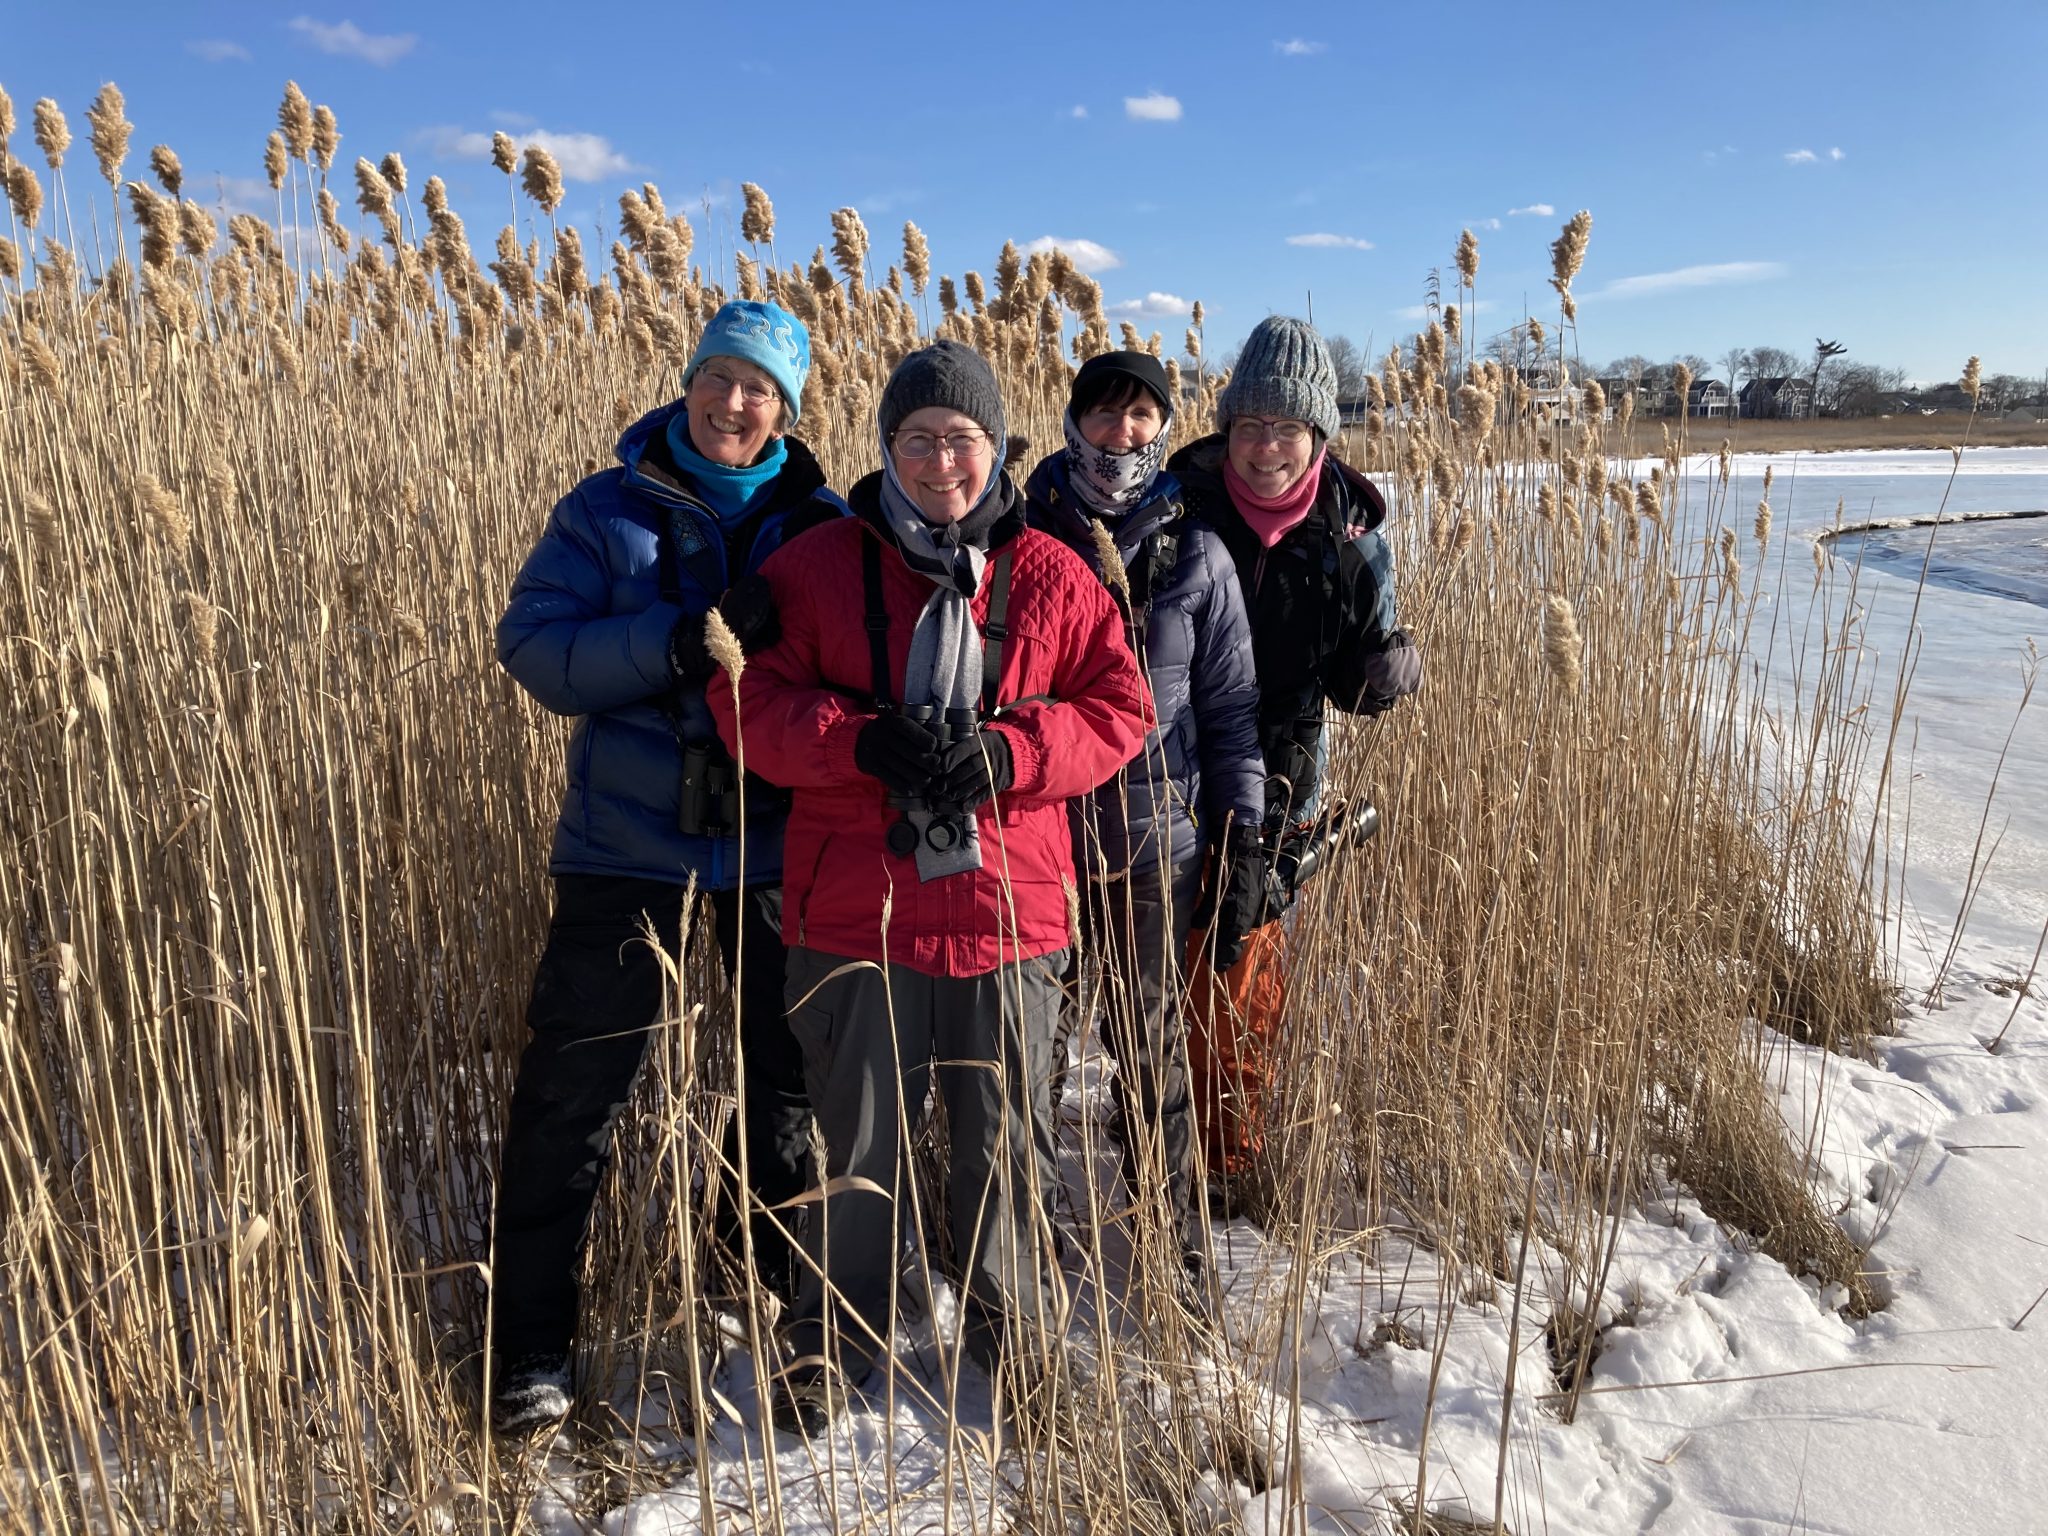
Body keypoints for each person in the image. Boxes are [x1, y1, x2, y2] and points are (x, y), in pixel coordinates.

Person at [709, 340, 1149, 1434]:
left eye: (961, 439)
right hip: (854, 915)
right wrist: (857, 743)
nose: (940, 461)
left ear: (996, 448)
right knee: (856, 1148)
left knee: (1003, 1143)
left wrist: (1014, 754)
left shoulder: (1053, 572)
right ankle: (832, 1341)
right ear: (886, 449)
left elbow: (1121, 708)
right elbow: (744, 705)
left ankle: (1019, 1340)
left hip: (1009, 917)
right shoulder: (813, 567)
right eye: (917, 439)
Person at [489, 299, 846, 1433]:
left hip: (776, 845)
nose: (735, 402)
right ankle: (530, 1348)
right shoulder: (607, 509)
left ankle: (777, 1298)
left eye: (760, 388)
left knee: (787, 1090)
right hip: (624, 851)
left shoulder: (823, 525)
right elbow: (535, 648)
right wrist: (675, 641)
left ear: (787, 406)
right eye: (719, 377)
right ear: (688, 381)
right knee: (571, 1098)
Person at [1020, 351, 1263, 1302]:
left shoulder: (1196, 553)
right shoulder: (1022, 529)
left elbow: (1231, 709)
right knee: (1027, 1044)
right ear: (1073, 421)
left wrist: (1239, 826)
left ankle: (1176, 1235)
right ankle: (1024, 1230)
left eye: (1142, 417)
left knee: (1150, 1039)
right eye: (1103, 415)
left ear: (1165, 427)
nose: (1121, 435)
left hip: (1154, 840)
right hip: (1035, 841)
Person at [1164, 316, 1421, 1193]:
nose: (1265, 448)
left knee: (1245, 967)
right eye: (1248, 427)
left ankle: (1224, 1164)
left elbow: (1358, 686)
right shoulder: (1177, 509)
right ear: (1224, 430)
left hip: (1280, 781)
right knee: (1155, 970)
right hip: (1170, 769)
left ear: (1317, 435)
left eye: (1285, 429)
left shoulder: (1355, 542)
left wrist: (1388, 673)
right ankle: (1153, 1132)